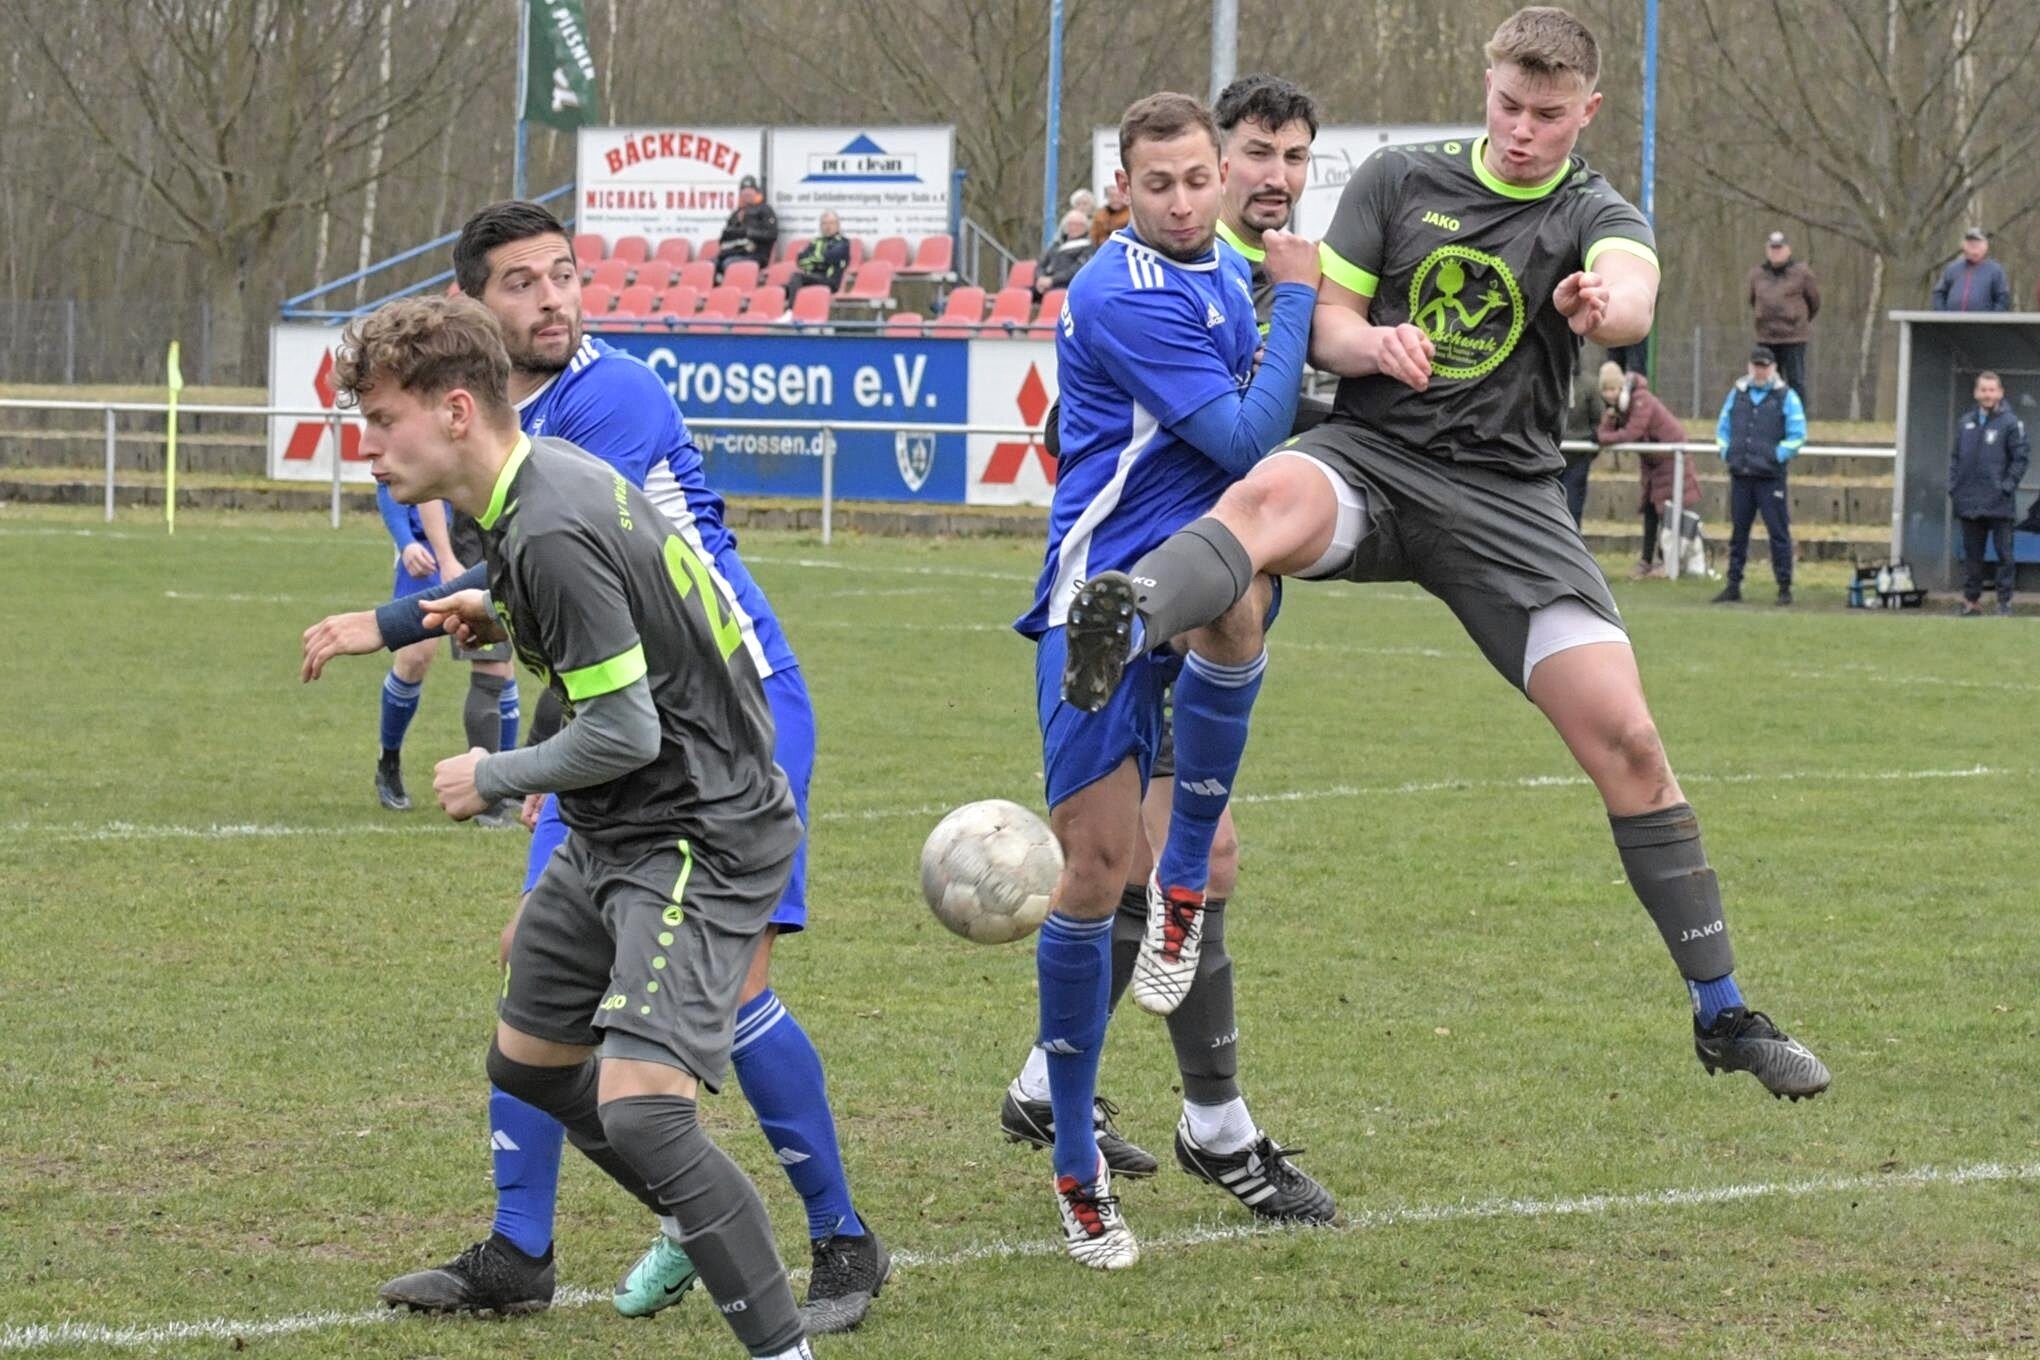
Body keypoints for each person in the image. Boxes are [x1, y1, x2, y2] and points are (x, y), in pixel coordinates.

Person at [1056, 9, 1831, 1137]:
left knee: (1629, 741)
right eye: (1508, 105)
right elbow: (1327, 320)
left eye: (1547, 115)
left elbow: (1631, 287)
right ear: (1487, 88)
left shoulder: (1594, 211)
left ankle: (1722, 1011)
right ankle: (1126, 618)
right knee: (1261, 506)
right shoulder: (1398, 177)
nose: (1521, 130)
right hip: (1375, 458)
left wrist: (1605, 308)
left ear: (1586, 112)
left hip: (1509, 505)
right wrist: (1371, 343)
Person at [300, 201, 884, 1333]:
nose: (553, 299)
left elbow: (583, 601)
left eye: (564, 274)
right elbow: (559, 610)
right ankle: (551, 1239)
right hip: (628, 736)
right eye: (521, 283)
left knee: (717, 1011)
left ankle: (833, 1239)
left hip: (722, 734)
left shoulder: (601, 411)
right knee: (537, 992)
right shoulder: (504, 444)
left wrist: (495, 755)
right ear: (474, 310)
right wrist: (495, 662)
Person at [999, 73, 1332, 1221]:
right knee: (1096, 869)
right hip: (1105, 603)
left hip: (1190, 594)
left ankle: (1214, 1125)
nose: (1185, 200)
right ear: (1124, 188)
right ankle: (1053, 1097)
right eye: (1161, 184)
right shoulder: (1125, 286)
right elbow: (1243, 434)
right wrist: (1300, 300)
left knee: (1205, 858)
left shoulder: (1222, 275)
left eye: (1200, 179)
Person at [370, 485, 459, 811]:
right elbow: (389, 481)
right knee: (415, 658)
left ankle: (502, 786)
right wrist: (406, 543)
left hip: (479, 539)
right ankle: (389, 759)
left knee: (495, 663)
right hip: (425, 551)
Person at [1711, 345, 1805, 605]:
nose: (1760, 371)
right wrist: (1727, 451)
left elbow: (1798, 435)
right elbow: (1723, 426)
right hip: (1741, 474)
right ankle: (1733, 584)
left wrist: (1776, 455)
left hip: (1770, 477)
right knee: (1738, 533)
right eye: (1756, 366)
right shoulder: (1737, 393)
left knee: (1778, 532)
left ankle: (1784, 587)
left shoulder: (1787, 396)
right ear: (1750, 367)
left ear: (1773, 368)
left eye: (1764, 366)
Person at [1594, 362, 1694, 578]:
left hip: (1669, 458)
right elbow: (1605, 431)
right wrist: (1609, 419)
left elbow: (1632, 432)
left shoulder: (1642, 399)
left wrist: (1605, 437)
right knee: (1650, 510)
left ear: (1621, 387)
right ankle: (1646, 560)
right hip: (1652, 462)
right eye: (1606, 390)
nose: (1610, 394)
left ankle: (1665, 561)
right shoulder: (1619, 407)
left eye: (1613, 388)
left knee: (1666, 512)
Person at [1949, 370, 2030, 616]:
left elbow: (2020, 459)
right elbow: (1955, 458)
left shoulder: (2011, 423)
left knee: (2004, 554)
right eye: (1983, 390)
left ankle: (2004, 603)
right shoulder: (1965, 423)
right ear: (1976, 393)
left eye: (1992, 390)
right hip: (1969, 501)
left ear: (2000, 393)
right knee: (1972, 556)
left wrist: (2006, 487)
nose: (1987, 394)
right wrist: (1954, 486)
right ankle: (1971, 602)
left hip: (1999, 501)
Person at [1747, 230, 1819, 406]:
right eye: (1772, 248)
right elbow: (1752, 300)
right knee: (1766, 380)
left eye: (1779, 248)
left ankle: (1797, 415)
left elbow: (1814, 301)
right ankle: (1769, 414)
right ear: (1767, 250)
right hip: (1766, 338)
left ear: (1788, 250)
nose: (1776, 252)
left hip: (1794, 337)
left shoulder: (1802, 273)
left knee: (1796, 380)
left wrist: (1797, 320)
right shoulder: (1757, 274)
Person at [1931, 227, 2011, 312]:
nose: (1973, 247)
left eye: (1977, 244)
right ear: (1964, 246)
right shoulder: (1952, 268)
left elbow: (2003, 299)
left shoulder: (1995, 270)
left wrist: (1992, 318)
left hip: (1982, 320)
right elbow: (1939, 293)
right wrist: (1942, 315)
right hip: (1952, 320)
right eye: (1970, 244)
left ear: (1985, 246)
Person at [716, 175, 778, 280]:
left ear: (756, 191)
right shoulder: (737, 213)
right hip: (736, 251)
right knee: (712, 263)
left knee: (728, 263)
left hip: (757, 254)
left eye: (750, 190)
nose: (747, 193)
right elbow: (725, 236)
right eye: (744, 190)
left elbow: (772, 234)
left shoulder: (765, 210)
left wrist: (749, 233)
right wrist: (736, 230)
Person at [784, 210, 851, 294]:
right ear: (820, 226)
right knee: (782, 289)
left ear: (838, 225)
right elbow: (800, 261)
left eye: (831, 223)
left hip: (830, 280)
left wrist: (813, 261)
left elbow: (828, 258)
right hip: (813, 278)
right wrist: (819, 263)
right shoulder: (815, 241)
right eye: (824, 224)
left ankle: (793, 303)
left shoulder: (843, 242)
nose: (828, 227)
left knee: (797, 277)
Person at [1034, 210, 1096, 298]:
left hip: (1067, 286)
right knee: (1021, 294)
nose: (1073, 227)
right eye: (1070, 224)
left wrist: (1052, 280)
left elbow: (1076, 270)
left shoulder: (1090, 247)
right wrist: (1040, 278)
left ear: (1086, 227)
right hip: (1045, 284)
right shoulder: (1057, 244)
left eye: (1078, 224)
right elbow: (1040, 264)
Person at [1088, 180, 1130, 245]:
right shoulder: (1100, 214)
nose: (1115, 200)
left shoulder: (1131, 214)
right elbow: (1094, 236)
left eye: (1118, 196)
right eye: (1112, 196)